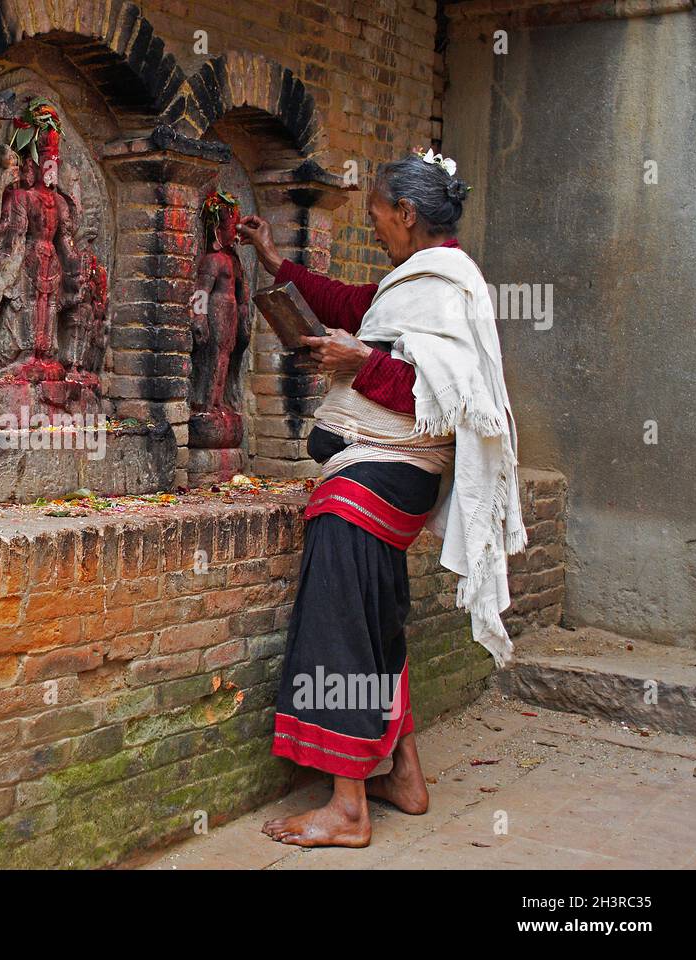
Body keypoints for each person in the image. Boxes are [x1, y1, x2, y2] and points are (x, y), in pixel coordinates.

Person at [237, 150, 527, 847]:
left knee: (337, 625)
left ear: (407, 214)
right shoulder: (414, 283)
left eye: (377, 216)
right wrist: (278, 262)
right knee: (377, 617)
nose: (375, 229)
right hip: (385, 476)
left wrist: (359, 365)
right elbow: (355, 304)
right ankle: (403, 775)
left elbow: (445, 399)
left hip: (384, 475)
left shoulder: (452, 286)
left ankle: (346, 808)